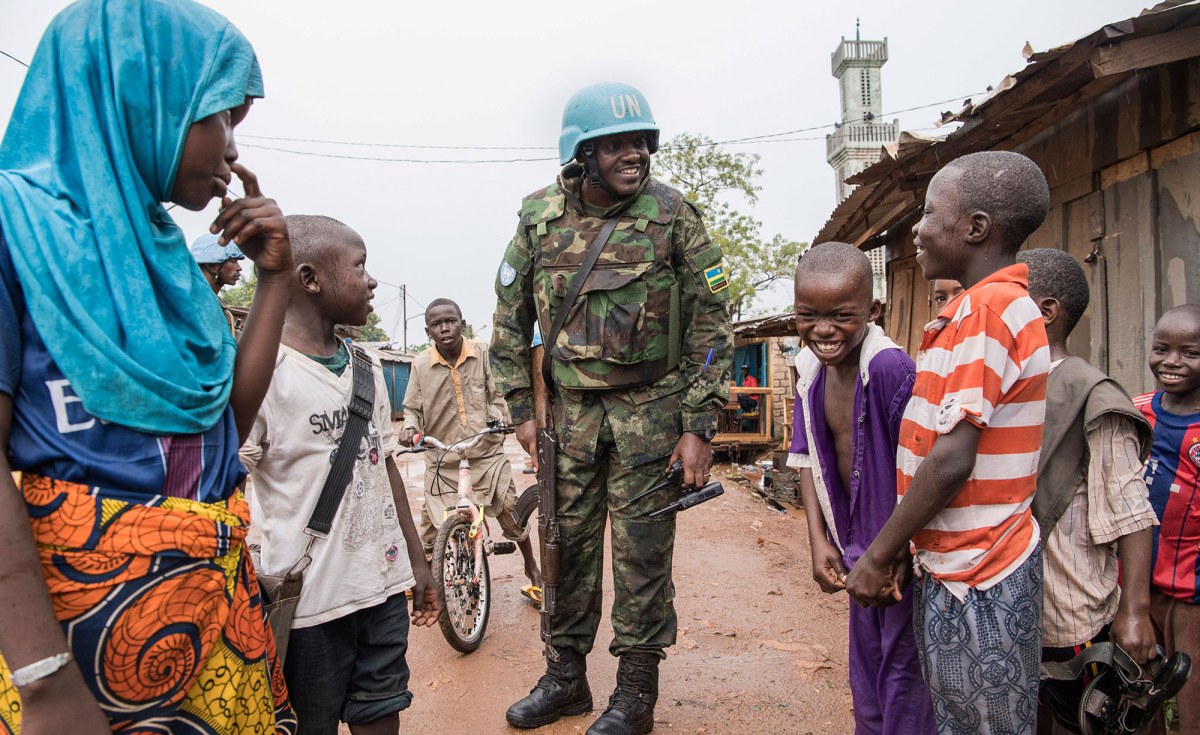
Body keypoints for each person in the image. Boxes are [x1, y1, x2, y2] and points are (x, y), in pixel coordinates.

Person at [0, 1, 296, 733]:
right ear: (140, 90)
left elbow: (221, 428)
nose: (232, 151)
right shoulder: (16, 226)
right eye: (222, 117)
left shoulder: (163, 255)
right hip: (75, 659)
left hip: (216, 634)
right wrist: (41, 678)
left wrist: (275, 281)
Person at [490, 82, 733, 735]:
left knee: (642, 553)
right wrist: (520, 407)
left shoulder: (673, 214)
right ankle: (566, 677)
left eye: (642, 141)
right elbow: (508, 325)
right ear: (582, 151)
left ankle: (635, 696)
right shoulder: (539, 218)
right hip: (567, 418)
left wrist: (699, 423)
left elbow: (714, 324)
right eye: (618, 143)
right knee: (562, 546)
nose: (635, 153)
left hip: (651, 413)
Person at [844, 150, 1051, 735]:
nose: (917, 227)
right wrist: (916, 551)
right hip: (955, 566)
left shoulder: (990, 309)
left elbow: (952, 458)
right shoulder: (970, 311)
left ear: (975, 228)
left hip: (981, 571)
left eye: (930, 212)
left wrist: (882, 553)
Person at [240, 215, 438, 735]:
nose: (372, 280)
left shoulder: (368, 366)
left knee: (383, 712)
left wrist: (417, 565)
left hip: (381, 589)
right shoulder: (264, 375)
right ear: (310, 279)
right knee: (312, 723)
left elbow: (386, 468)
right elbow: (223, 487)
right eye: (360, 267)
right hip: (308, 606)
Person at [788, 242, 935, 735]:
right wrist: (818, 539)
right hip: (857, 556)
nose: (823, 330)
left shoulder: (892, 369)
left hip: (901, 558)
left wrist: (894, 551)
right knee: (866, 677)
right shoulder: (809, 373)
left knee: (905, 680)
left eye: (841, 316)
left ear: (873, 311)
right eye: (808, 315)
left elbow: (924, 469)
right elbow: (805, 457)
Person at [1015, 249, 1158, 734]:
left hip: (1072, 609)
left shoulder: (1094, 396)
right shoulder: (1005, 385)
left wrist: (1135, 612)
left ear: (1046, 312)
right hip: (1015, 601)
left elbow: (1131, 512)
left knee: (1081, 719)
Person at [399, 297, 541, 596]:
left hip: (486, 454)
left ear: (462, 324)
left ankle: (532, 568)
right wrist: (410, 427)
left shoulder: (481, 351)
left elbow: (497, 391)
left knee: (511, 511)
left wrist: (502, 413)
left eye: (450, 321)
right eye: (436, 324)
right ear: (428, 332)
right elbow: (412, 408)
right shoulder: (421, 364)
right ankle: (424, 573)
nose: (445, 328)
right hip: (444, 460)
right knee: (431, 526)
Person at [1134, 304, 1200, 735]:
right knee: (1141, 681)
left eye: (1189, 353)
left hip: (1193, 580)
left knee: (1191, 684)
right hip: (1140, 575)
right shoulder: (1139, 411)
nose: (1171, 362)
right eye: (1161, 349)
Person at [191, 232, 246, 334]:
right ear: (213, 266)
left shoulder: (211, 300)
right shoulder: (200, 302)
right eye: (233, 261)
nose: (239, 268)